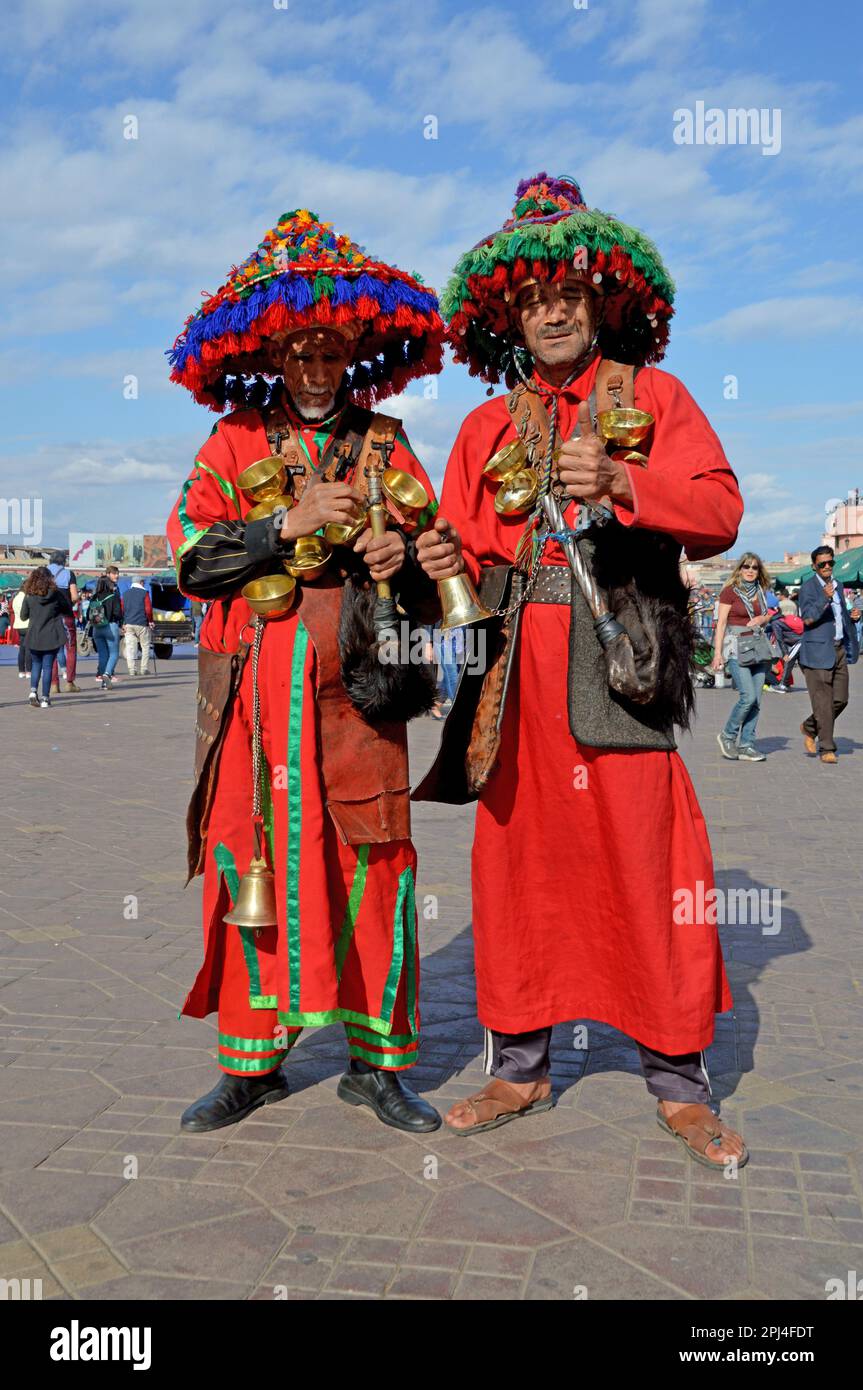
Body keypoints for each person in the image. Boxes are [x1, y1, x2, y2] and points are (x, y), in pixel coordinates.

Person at [415, 173, 747, 1169]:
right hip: (513, 688)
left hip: (622, 676)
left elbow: (722, 509)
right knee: (518, 873)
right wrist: (440, 562)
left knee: (651, 863)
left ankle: (681, 1082)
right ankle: (519, 1064)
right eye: (531, 299)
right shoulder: (483, 428)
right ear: (508, 314)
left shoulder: (648, 397)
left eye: (568, 294)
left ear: (600, 303)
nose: (551, 311)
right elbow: (468, 557)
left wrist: (621, 479)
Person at [166, 202, 446, 1135]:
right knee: (250, 864)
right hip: (259, 697)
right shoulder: (235, 442)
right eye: (302, 353)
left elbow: (446, 570)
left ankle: (378, 1067)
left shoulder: (387, 444)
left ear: (351, 356)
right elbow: (190, 561)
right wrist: (282, 527)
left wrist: (401, 562)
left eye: (333, 352)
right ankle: (251, 1067)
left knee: (375, 861)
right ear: (276, 357)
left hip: (363, 696)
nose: (318, 367)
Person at [797, 545, 861, 764]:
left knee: (841, 699)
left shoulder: (838, 585)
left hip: (839, 648)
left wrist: (852, 617)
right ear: (814, 565)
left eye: (830, 563)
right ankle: (826, 748)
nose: (826, 567)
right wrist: (824, 598)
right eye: (822, 563)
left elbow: (838, 615)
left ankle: (809, 726)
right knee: (823, 702)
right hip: (816, 651)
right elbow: (807, 619)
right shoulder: (808, 588)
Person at [712, 553, 776, 755]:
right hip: (735, 646)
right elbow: (721, 623)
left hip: (757, 647)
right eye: (746, 566)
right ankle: (728, 735)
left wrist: (761, 620)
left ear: (759, 571)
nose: (750, 570)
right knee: (747, 696)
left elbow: (768, 614)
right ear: (740, 569)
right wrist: (717, 653)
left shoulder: (761, 591)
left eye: (754, 567)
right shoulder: (730, 592)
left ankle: (746, 744)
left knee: (756, 699)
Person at [20, 567, 72, 709]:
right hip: (51, 635)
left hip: (34, 635)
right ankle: (45, 698)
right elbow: (68, 609)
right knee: (48, 667)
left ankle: (32, 692)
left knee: (36, 665)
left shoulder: (29, 595)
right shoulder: (56, 594)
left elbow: (23, 616)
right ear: (50, 578)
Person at [47, 550, 81, 693]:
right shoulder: (69, 574)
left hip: (49, 616)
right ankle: (70, 682)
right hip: (66, 615)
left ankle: (54, 684)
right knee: (71, 647)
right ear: (64, 561)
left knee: (52, 650)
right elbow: (74, 597)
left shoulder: (43, 573)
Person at [90, 570, 123, 689]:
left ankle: (104, 683)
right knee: (114, 653)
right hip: (110, 626)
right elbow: (118, 614)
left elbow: (87, 615)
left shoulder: (94, 597)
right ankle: (107, 674)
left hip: (97, 628)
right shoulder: (113, 597)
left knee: (103, 655)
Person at [122, 577, 154, 675]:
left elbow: (122, 609)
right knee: (145, 646)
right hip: (142, 623)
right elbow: (148, 609)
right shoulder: (145, 593)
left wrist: (124, 622)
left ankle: (132, 669)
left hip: (129, 623)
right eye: (143, 582)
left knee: (131, 647)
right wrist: (151, 621)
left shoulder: (126, 594)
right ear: (141, 582)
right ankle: (144, 668)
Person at [12, 587, 31, 677]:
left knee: (22, 649)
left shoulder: (15, 598)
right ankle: (28, 671)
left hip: (18, 625)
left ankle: (21, 671)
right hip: (27, 624)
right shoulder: (26, 597)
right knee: (28, 649)